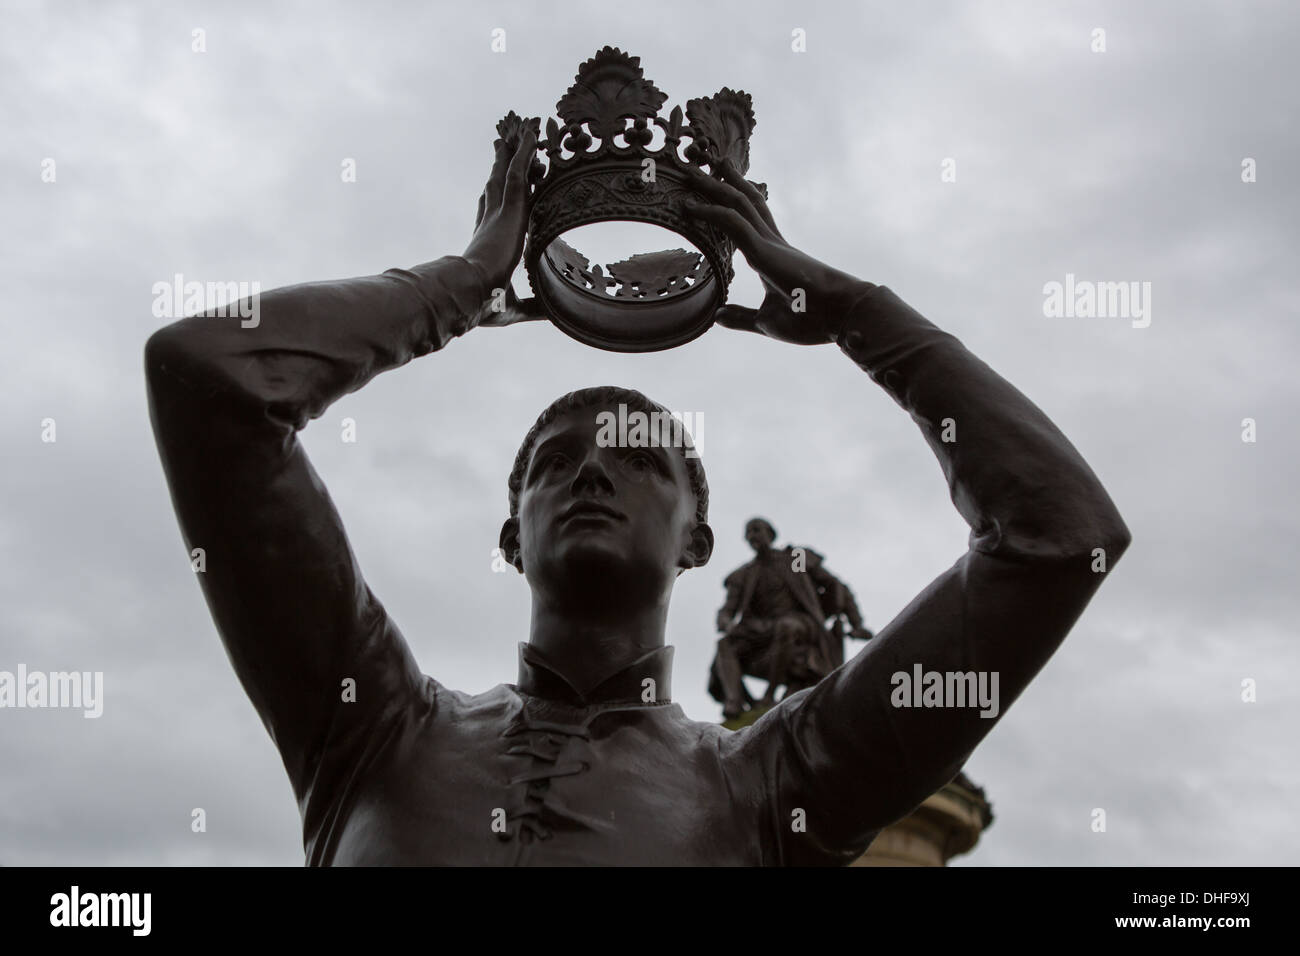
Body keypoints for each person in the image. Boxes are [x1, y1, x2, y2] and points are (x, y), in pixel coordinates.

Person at [144, 124, 1130, 865]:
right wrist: (459, 284)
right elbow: (211, 377)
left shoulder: (767, 780)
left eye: (640, 457)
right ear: (509, 535)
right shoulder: (367, 727)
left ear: (697, 541)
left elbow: (1059, 535)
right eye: (554, 460)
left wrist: (860, 314)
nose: (590, 469)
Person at [710, 518, 872, 718]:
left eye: (757, 530)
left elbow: (835, 585)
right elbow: (728, 609)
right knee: (725, 644)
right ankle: (734, 702)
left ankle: (770, 695)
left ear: (770, 533)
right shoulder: (744, 574)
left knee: (787, 626)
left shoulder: (793, 560)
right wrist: (725, 623)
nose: (753, 535)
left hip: (801, 621)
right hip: (760, 628)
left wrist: (857, 623)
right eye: (749, 532)